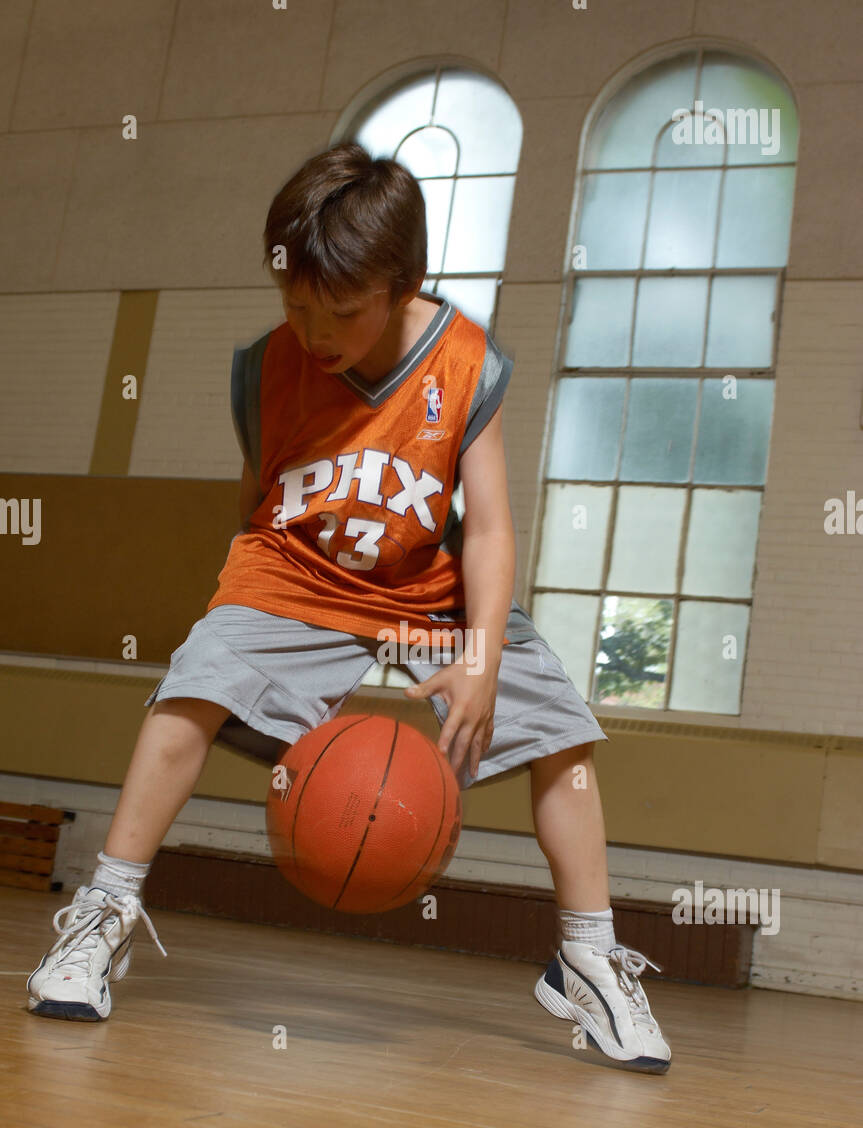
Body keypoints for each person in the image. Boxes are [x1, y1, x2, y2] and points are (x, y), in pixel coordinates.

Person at [26, 142, 670, 1073]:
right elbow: (255, 502)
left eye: (339, 312)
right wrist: (247, 617)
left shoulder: (464, 360)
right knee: (193, 685)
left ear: (404, 284)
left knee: (562, 735)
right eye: (293, 304)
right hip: (297, 571)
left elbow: (486, 530)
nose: (312, 330)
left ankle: (587, 954)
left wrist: (483, 655)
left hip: (427, 592)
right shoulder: (267, 367)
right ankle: (106, 911)